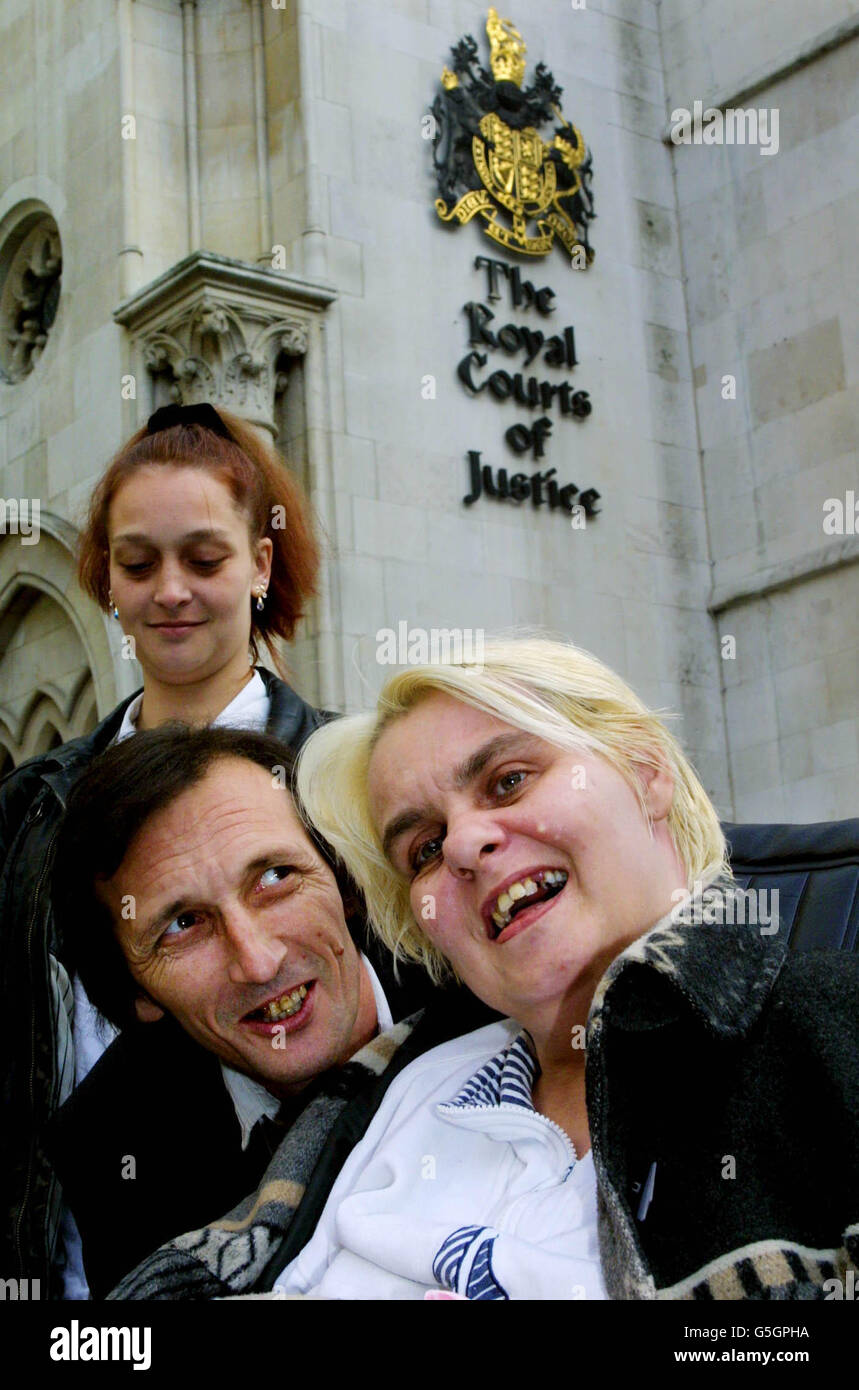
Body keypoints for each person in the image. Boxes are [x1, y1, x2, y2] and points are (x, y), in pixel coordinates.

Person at [230, 634, 854, 1301]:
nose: (466, 845)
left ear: (645, 772)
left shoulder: (832, 1035)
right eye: (425, 848)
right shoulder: (411, 1090)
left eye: (508, 781)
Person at [0, 401, 324, 1298]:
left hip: (279, 1261)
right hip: (64, 1278)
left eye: (204, 558)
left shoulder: (342, 783)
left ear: (260, 563)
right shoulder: (31, 804)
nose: (170, 590)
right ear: (105, 580)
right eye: (137, 563)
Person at [47, 725, 486, 1297]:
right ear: (137, 993)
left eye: (276, 878)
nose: (257, 961)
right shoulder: (112, 1139)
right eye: (183, 925)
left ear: (346, 883)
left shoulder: (479, 992)